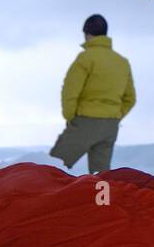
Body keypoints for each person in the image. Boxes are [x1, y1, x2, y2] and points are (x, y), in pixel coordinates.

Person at [49, 14, 136, 174]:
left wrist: (71, 117)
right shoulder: (122, 62)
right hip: (111, 125)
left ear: (87, 34)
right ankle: (101, 200)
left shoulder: (85, 58)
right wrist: (115, 115)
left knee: (53, 167)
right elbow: (130, 98)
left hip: (85, 122)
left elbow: (70, 91)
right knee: (100, 176)